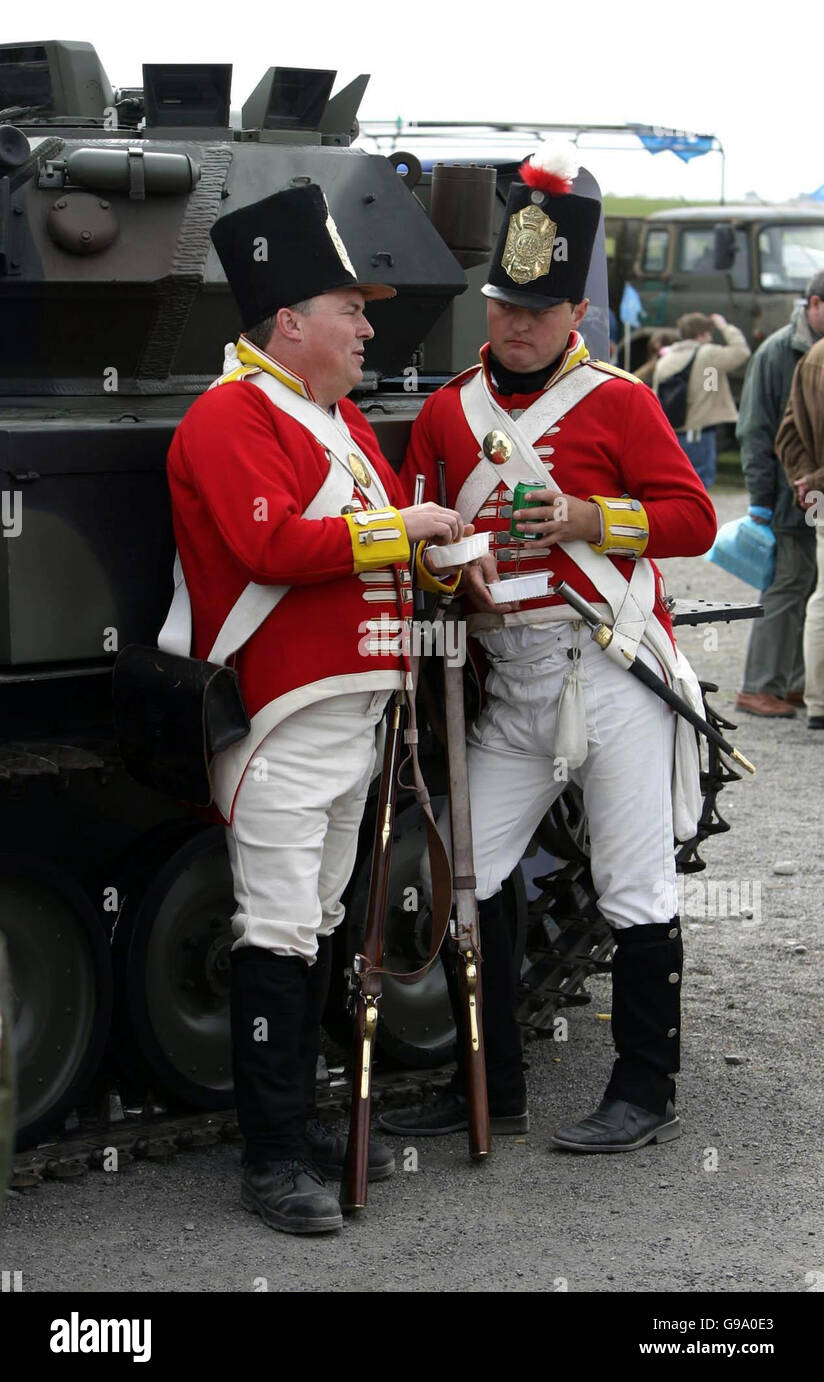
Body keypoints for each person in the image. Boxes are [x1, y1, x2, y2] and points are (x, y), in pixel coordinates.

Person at [381, 146, 717, 1153]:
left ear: (574, 315)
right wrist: (447, 573)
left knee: (631, 884)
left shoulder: (616, 400)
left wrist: (580, 517)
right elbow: (421, 529)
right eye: (501, 306)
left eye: (534, 310)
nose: (514, 325)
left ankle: (643, 1088)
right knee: (465, 875)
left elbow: (691, 519)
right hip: (511, 681)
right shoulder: (447, 410)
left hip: (605, 667)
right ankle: (493, 1080)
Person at [166, 184, 464, 1234]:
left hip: (353, 706)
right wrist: (402, 529)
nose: (368, 326)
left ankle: (313, 1124)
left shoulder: (328, 419)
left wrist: (432, 545)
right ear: (290, 319)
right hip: (283, 716)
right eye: (352, 308)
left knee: (327, 923)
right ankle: (273, 1157)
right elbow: (268, 547)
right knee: (282, 928)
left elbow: (369, 532)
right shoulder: (227, 415)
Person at [734, 272, 824, 718]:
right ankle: (758, 686)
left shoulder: (803, 350)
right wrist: (760, 502)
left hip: (806, 497)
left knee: (805, 584)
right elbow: (755, 430)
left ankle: (790, 682)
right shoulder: (777, 353)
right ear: (814, 304)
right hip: (788, 498)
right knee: (786, 587)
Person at [775, 335, 824, 730]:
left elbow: (787, 433)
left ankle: (819, 703)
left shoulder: (813, 356)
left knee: (822, 599)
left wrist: (806, 481)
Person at [652, 312, 750, 488]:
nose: (711, 338)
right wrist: (724, 326)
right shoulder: (708, 354)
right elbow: (741, 351)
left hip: (673, 435)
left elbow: (658, 395)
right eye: (709, 334)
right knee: (699, 488)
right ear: (702, 334)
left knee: (677, 487)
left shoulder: (665, 360)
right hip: (699, 435)